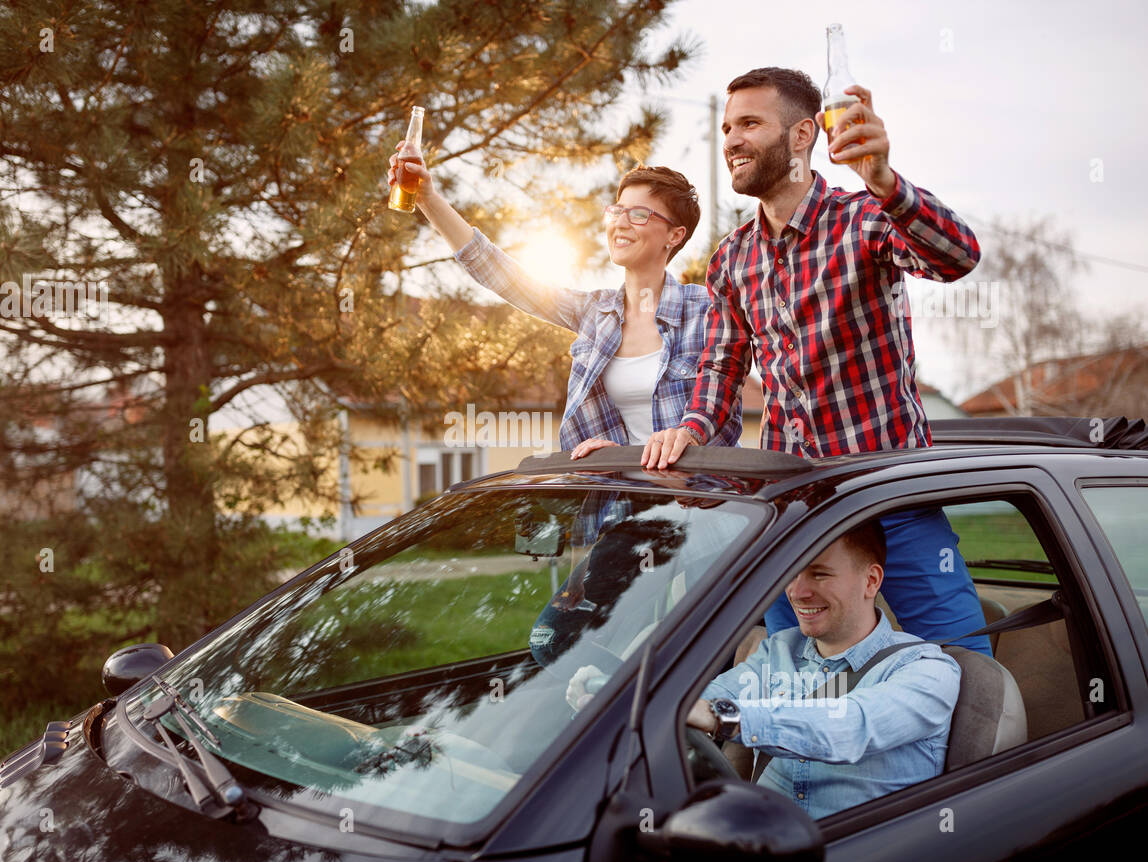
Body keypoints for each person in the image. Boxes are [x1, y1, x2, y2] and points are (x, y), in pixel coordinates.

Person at [640, 67, 991, 654]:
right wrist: (691, 429)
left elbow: (958, 256)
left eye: (750, 123)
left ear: (803, 135)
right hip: (793, 514)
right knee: (794, 677)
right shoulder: (732, 257)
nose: (730, 140)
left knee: (967, 669)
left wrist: (884, 180)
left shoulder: (864, 218)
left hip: (891, 499)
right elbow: (722, 365)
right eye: (726, 127)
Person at [570, 520, 962, 820]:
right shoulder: (779, 649)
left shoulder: (925, 670)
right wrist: (620, 698)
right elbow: (710, 698)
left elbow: (849, 726)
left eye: (819, 573)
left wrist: (721, 717)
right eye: (792, 573)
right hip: (753, 841)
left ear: (870, 580)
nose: (797, 591)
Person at [385, 147, 743, 459]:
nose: (621, 223)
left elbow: (718, 411)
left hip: (702, 506)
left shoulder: (707, 311)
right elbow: (501, 274)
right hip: (624, 503)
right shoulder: (595, 313)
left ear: (675, 235)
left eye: (639, 214)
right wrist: (428, 197)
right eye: (617, 211)